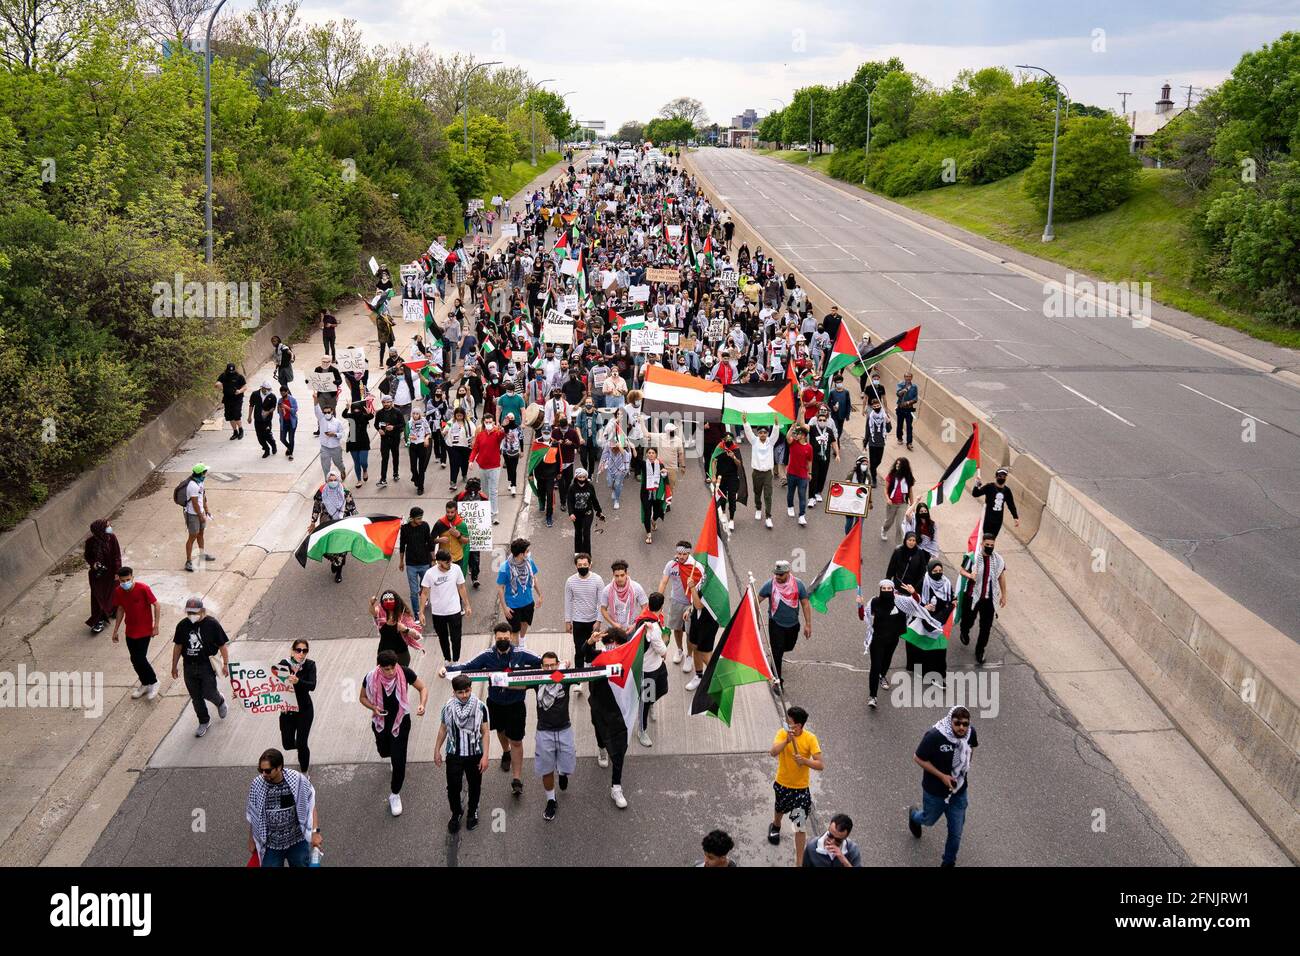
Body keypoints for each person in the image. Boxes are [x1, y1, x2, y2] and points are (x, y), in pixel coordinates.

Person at [440, 627, 542, 798]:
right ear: (495, 638)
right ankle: (505, 751)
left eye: (506, 637)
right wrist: (447, 670)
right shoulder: (487, 655)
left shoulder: (521, 654)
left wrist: (561, 664)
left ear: (511, 638)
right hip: (495, 703)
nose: (503, 640)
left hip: (516, 704)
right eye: (499, 638)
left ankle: (517, 779)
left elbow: (542, 661)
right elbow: (467, 666)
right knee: (500, 731)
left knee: (516, 740)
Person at [359, 649, 429, 817]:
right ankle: (391, 755)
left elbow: (423, 687)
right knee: (384, 751)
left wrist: (422, 704)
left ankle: (395, 794)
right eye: (386, 669)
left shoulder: (404, 672)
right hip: (381, 721)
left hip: (401, 721)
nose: (390, 672)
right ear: (379, 667)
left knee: (399, 762)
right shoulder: (370, 677)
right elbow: (362, 698)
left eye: (392, 667)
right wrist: (373, 707)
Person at [909, 706, 977, 867]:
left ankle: (948, 862)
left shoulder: (970, 733)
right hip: (935, 792)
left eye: (965, 724)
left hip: (958, 793)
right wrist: (942, 776)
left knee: (956, 833)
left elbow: (971, 747)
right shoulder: (934, 736)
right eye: (957, 723)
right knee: (928, 820)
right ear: (950, 722)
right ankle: (914, 816)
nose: (962, 727)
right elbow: (918, 758)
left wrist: (964, 767)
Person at [579, 626, 632, 809]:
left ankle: (616, 787)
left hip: (619, 711)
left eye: (615, 644)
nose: (612, 648)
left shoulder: (628, 658)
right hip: (599, 706)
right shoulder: (599, 656)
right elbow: (585, 652)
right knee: (599, 731)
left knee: (619, 749)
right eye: (609, 644)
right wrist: (591, 641)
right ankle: (601, 748)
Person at [768, 704, 824, 867]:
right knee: (779, 808)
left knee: (799, 826)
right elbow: (773, 752)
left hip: (800, 791)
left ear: (798, 725)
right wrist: (786, 740)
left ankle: (799, 863)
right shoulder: (782, 733)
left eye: (789, 721)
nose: (786, 723)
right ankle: (776, 825)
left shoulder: (810, 739)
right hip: (782, 784)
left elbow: (820, 764)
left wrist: (805, 761)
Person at [434, 674, 490, 833]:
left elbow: (485, 732)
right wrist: (436, 750)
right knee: (453, 787)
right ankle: (456, 813)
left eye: (467, 691)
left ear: (471, 689)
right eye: (460, 692)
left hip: (474, 754)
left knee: (474, 786)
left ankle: (472, 812)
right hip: (454, 754)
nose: (464, 695)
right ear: (454, 692)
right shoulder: (448, 707)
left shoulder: (480, 707)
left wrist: (485, 756)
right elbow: (443, 728)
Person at [246, 748, 320, 867]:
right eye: (261, 770)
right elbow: (254, 815)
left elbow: (311, 805)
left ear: (279, 767)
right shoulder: (257, 784)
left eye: (268, 771)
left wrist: (315, 832)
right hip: (271, 846)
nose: (263, 774)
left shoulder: (297, 780)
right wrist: (251, 840)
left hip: (297, 842)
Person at [169, 596, 230, 738]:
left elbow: (222, 645)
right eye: (189, 612)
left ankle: (219, 701)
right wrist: (174, 666)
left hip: (206, 666)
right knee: (196, 697)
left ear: (202, 610)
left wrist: (225, 664)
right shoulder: (182, 625)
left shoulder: (212, 624)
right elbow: (178, 646)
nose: (192, 616)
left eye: (195, 612)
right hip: (189, 666)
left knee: (209, 693)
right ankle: (204, 721)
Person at [530, 651, 577, 822]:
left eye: (552, 665)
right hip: (544, 732)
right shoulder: (537, 680)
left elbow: (588, 673)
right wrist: (499, 680)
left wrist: (588, 644)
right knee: (546, 769)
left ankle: (563, 773)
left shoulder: (565, 677)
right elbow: (517, 683)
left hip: (565, 729)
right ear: (541, 667)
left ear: (557, 664)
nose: (549, 668)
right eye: (546, 665)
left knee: (566, 766)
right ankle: (551, 800)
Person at [110, 566, 160, 701]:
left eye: (127, 579)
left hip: (144, 630)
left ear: (132, 577)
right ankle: (145, 683)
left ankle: (154, 682)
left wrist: (155, 626)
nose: (125, 583)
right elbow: (120, 609)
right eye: (122, 581)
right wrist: (115, 630)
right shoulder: (119, 591)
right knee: (134, 659)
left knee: (140, 658)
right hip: (130, 631)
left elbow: (156, 605)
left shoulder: (143, 588)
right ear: (118, 580)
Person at [757, 560, 812, 681]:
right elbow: (756, 601)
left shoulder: (798, 584)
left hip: (792, 625)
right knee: (777, 651)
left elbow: (805, 604)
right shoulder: (770, 585)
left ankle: (778, 656)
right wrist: (756, 619)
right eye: (776, 573)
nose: (777, 577)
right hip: (776, 624)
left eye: (780, 574)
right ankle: (777, 680)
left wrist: (808, 624)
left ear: (788, 572)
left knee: (788, 646)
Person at [959, 533, 1007, 666]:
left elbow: (1001, 577)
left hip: (989, 599)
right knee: (968, 620)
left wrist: (1004, 595)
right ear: (982, 544)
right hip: (972, 596)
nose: (990, 547)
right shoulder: (973, 557)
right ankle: (964, 630)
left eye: (992, 545)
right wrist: (970, 575)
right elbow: (962, 570)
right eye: (987, 545)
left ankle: (980, 651)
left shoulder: (998, 560)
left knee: (986, 627)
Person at [860, 580, 906, 708]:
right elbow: (863, 616)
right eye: (883, 589)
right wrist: (860, 606)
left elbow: (915, 606)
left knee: (886, 661)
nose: (886, 591)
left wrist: (914, 594)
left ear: (893, 589)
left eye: (888, 588)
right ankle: (872, 696)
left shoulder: (900, 602)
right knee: (875, 666)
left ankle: (883, 676)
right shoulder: (874, 602)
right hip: (877, 640)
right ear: (880, 590)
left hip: (893, 639)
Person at [564, 553, 605, 694]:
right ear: (576, 565)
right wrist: (567, 621)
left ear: (590, 564)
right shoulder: (570, 581)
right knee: (579, 649)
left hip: (592, 622)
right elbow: (568, 601)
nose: (582, 567)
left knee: (591, 650)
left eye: (585, 565)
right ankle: (579, 681)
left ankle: (591, 675)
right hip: (578, 621)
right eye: (580, 565)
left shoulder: (598, 580)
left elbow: (601, 602)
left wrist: (599, 620)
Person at [420, 549, 471, 662]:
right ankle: (447, 659)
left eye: (450, 561)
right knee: (443, 638)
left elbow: (461, 587)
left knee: (456, 637)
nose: (449, 564)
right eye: (447, 562)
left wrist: (467, 605)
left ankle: (456, 660)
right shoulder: (430, 573)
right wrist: (421, 612)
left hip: (454, 610)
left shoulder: (456, 569)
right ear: (439, 562)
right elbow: (424, 593)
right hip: (438, 612)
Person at [633, 594, 670, 747]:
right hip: (647, 670)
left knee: (662, 689)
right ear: (662, 606)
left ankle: (651, 702)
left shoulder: (649, 620)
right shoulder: (652, 626)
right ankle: (641, 730)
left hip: (658, 666)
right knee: (645, 702)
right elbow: (662, 650)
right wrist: (665, 651)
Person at [308, 467, 356, 582]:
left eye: (335, 480)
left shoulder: (345, 492)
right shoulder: (321, 492)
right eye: (330, 480)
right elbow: (316, 508)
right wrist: (313, 523)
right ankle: (335, 560)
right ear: (327, 481)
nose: (333, 482)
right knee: (328, 548)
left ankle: (338, 570)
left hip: (341, 524)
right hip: (327, 525)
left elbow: (352, 508)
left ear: (339, 480)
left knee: (340, 548)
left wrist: (356, 522)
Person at [277, 640, 316, 773]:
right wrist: (243, 694)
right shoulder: (283, 665)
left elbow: (312, 685)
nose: (301, 653)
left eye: (304, 651)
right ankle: (300, 746)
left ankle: (304, 772)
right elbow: (269, 685)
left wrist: (298, 681)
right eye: (298, 650)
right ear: (292, 651)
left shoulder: (310, 665)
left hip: (304, 709)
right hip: (288, 711)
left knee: (301, 743)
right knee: (287, 744)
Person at [657, 541, 698, 669]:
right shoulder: (671, 565)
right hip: (675, 602)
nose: (681, 557)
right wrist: (658, 601)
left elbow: (701, 588)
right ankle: (679, 650)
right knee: (677, 628)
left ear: (689, 553)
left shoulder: (695, 566)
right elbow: (664, 582)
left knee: (690, 632)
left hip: (690, 604)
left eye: (684, 554)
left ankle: (689, 656)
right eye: (679, 553)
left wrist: (693, 605)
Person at [496, 538, 542, 645]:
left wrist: (540, 595)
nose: (529, 553)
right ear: (521, 554)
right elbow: (500, 588)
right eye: (527, 551)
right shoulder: (505, 567)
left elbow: (534, 578)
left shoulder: (529, 562)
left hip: (528, 602)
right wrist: (505, 608)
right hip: (513, 605)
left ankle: (522, 641)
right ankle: (516, 651)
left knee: (525, 623)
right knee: (515, 630)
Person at [83, 519, 122, 633]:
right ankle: (98, 620)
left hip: (111, 572)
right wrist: (94, 564)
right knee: (97, 597)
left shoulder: (112, 538)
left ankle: (113, 610)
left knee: (113, 592)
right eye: (107, 526)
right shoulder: (90, 542)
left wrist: (117, 572)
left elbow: (117, 555)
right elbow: (88, 556)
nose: (110, 527)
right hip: (97, 575)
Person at [398, 507, 434, 625]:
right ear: (412, 518)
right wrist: (401, 561)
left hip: (424, 562)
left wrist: (433, 558)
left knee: (424, 587)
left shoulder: (425, 526)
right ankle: (417, 613)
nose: (420, 520)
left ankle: (425, 598)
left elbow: (429, 543)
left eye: (421, 518)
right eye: (418, 518)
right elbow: (402, 545)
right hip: (411, 564)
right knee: (414, 591)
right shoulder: (404, 529)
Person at [742, 414, 779, 528]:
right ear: (758, 433)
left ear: (767, 433)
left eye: (765, 432)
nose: (763, 434)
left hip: (768, 473)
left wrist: (776, 424)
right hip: (756, 473)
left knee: (768, 495)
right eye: (760, 432)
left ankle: (768, 517)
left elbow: (775, 434)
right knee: (757, 493)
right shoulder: (754, 441)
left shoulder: (770, 441)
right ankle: (758, 508)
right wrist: (745, 422)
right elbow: (748, 431)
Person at [369, 588, 421, 669]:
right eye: (385, 600)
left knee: (402, 679)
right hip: (384, 655)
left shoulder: (403, 615)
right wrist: (371, 604)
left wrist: (405, 629)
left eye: (391, 599)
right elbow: (373, 612)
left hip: (401, 655)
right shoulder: (381, 612)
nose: (388, 601)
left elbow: (417, 635)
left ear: (396, 600)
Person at [468, 411, 505, 520]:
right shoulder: (480, 435)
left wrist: (503, 428)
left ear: (493, 422)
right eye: (486, 422)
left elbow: (502, 435)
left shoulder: (497, 433)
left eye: (490, 422)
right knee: (485, 491)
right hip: (482, 467)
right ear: (484, 423)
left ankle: (494, 514)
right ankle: (486, 512)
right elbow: (475, 449)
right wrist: (471, 460)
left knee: (493, 491)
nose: (488, 423)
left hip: (494, 467)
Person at [970, 467, 1020, 540]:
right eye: (1000, 476)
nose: (1002, 478)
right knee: (986, 538)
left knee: (992, 539)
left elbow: (1011, 504)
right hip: (987, 518)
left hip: (998, 520)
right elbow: (975, 494)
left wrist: (1015, 517)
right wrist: (977, 483)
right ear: (996, 476)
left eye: (1004, 476)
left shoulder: (1007, 491)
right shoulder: (989, 487)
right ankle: (982, 550)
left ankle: (989, 551)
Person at [183, 462, 215, 573]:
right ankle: (188, 561)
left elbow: (203, 497)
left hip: (200, 512)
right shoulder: (193, 486)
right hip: (193, 514)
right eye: (205, 472)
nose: (206, 473)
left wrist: (206, 510)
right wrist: (201, 516)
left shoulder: (200, 482)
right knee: (192, 536)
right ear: (201, 473)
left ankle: (202, 554)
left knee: (201, 534)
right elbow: (195, 503)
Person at [566, 467, 606, 556]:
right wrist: (571, 513)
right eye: (580, 477)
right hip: (576, 514)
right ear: (576, 477)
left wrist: (599, 511)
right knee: (578, 532)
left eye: (584, 477)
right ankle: (578, 551)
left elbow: (594, 499)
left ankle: (588, 554)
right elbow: (570, 501)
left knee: (586, 533)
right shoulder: (572, 488)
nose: (582, 479)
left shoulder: (590, 486)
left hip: (588, 513)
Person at [807, 405, 840, 504]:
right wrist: (801, 413)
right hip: (814, 457)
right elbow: (803, 426)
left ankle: (818, 493)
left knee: (822, 476)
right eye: (820, 420)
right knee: (814, 476)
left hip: (825, 457)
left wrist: (837, 454)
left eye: (823, 420)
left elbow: (834, 443)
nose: (822, 422)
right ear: (817, 420)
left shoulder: (829, 431)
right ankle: (811, 497)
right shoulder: (813, 429)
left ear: (826, 421)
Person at [637, 446, 667, 544]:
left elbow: (666, 479)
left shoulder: (660, 465)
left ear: (656, 455)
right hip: (646, 493)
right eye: (649, 453)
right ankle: (649, 534)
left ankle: (654, 520)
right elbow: (636, 459)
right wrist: (633, 448)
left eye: (653, 453)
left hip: (657, 493)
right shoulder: (643, 464)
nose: (651, 454)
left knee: (658, 511)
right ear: (646, 454)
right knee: (647, 513)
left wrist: (664, 473)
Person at [880, 457, 914, 542]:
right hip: (891, 503)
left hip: (902, 503)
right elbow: (886, 489)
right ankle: (884, 530)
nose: (897, 466)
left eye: (899, 464)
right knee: (889, 521)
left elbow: (910, 492)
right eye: (897, 464)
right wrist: (887, 498)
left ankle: (899, 545)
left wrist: (912, 505)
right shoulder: (891, 475)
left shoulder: (908, 477)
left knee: (899, 525)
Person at [784, 425, 812, 526]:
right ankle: (790, 507)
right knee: (790, 492)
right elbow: (788, 437)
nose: (797, 435)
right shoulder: (793, 443)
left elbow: (809, 461)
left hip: (802, 476)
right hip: (791, 473)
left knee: (802, 495)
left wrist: (809, 473)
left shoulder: (809, 448)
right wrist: (791, 428)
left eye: (799, 433)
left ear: (803, 436)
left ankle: (801, 516)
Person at [375, 394, 404, 487]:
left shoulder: (397, 412)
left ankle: (396, 473)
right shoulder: (379, 413)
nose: (386, 404)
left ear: (391, 402)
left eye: (388, 402)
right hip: (384, 439)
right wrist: (379, 430)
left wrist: (394, 427)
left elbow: (403, 424)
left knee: (395, 456)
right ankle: (383, 479)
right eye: (384, 402)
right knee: (384, 458)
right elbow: (376, 424)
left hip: (395, 438)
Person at [342, 398, 372, 485]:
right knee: (356, 462)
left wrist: (369, 412)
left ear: (361, 409)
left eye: (358, 409)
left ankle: (365, 470)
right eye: (354, 409)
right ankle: (359, 480)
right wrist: (347, 408)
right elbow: (344, 415)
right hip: (352, 441)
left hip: (363, 441)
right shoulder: (350, 416)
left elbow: (371, 416)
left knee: (363, 461)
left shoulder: (365, 416)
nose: (356, 411)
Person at [315, 403, 347, 481]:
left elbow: (342, 433)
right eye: (325, 412)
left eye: (328, 412)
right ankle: (327, 481)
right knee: (325, 466)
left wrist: (334, 434)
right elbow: (316, 410)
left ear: (332, 412)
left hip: (335, 447)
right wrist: (315, 400)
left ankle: (342, 470)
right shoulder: (321, 420)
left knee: (338, 463)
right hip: (324, 448)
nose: (327, 414)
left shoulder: (337, 422)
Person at [247, 379, 279, 457]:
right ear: (262, 388)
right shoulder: (255, 394)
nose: (268, 391)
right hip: (257, 419)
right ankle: (266, 449)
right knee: (260, 437)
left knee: (267, 435)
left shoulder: (272, 396)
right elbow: (251, 405)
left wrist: (267, 412)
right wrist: (249, 416)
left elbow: (273, 407)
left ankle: (273, 445)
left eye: (269, 389)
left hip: (267, 421)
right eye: (267, 389)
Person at [863, 397, 890, 487]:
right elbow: (867, 431)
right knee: (873, 463)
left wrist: (888, 422)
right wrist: (865, 443)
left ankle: (872, 469)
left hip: (881, 442)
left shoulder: (885, 416)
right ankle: (874, 479)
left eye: (878, 405)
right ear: (872, 407)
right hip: (872, 442)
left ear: (880, 405)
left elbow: (889, 430)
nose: (876, 407)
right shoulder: (870, 417)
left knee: (879, 460)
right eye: (875, 406)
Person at [406, 405, 433, 495]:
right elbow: (406, 435)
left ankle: (420, 487)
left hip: (422, 445)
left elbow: (428, 432)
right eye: (413, 413)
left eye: (417, 413)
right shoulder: (409, 423)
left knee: (421, 468)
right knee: (413, 467)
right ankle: (416, 478)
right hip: (413, 446)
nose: (415, 415)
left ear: (420, 414)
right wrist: (410, 436)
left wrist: (426, 439)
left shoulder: (424, 421)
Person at [216, 361, 246, 440]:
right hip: (227, 399)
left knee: (236, 415)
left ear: (235, 370)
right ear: (227, 370)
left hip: (237, 399)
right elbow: (218, 382)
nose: (231, 372)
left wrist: (239, 391)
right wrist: (218, 384)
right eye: (230, 371)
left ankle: (241, 430)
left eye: (232, 371)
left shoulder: (239, 377)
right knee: (229, 416)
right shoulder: (224, 375)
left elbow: (245, 387)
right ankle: (235, 432)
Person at [896, 372, 918, 450]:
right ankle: (899, 437)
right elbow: (898, 394)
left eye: (909, 376)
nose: (908, 378)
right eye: (906, 376)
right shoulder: (900, 385)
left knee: (909, 426)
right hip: (900, 408)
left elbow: (915, 399)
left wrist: (908, 402)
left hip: (909, 409)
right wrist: (904, 390)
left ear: (911, 378)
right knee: (900, 424)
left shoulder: (914, 387)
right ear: (904, 377)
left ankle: (909, 442)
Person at [278, 385, 299, 462]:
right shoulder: (280, 400)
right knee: (282, 438)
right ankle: (289, 447)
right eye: (281, 393)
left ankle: (291, 453)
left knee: (291, 438)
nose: (283, 394)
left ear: (287, 392)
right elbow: (279, 412)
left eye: (284, 393)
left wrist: (287, 407)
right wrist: (280, 408)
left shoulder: (292, 399)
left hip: (292, 421)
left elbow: (295, 411)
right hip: (284, 421)